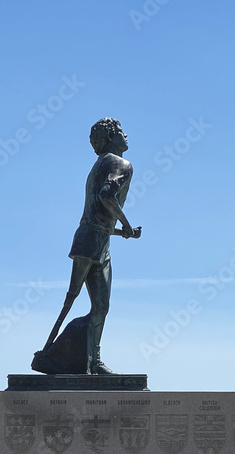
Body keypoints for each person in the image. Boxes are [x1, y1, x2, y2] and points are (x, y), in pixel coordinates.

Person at [40, 118, 142, 374]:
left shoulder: (100, 164)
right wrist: (127, 225)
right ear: (110, 137)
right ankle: (58, 354)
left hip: (96, 240)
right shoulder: (120, 163)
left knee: (97, 306)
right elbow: (106, 196)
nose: (125, 135)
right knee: (76, 301)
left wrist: (121, 232)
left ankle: (90, 360)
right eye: (120, 132)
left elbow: (98, 215)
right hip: (91, 242)